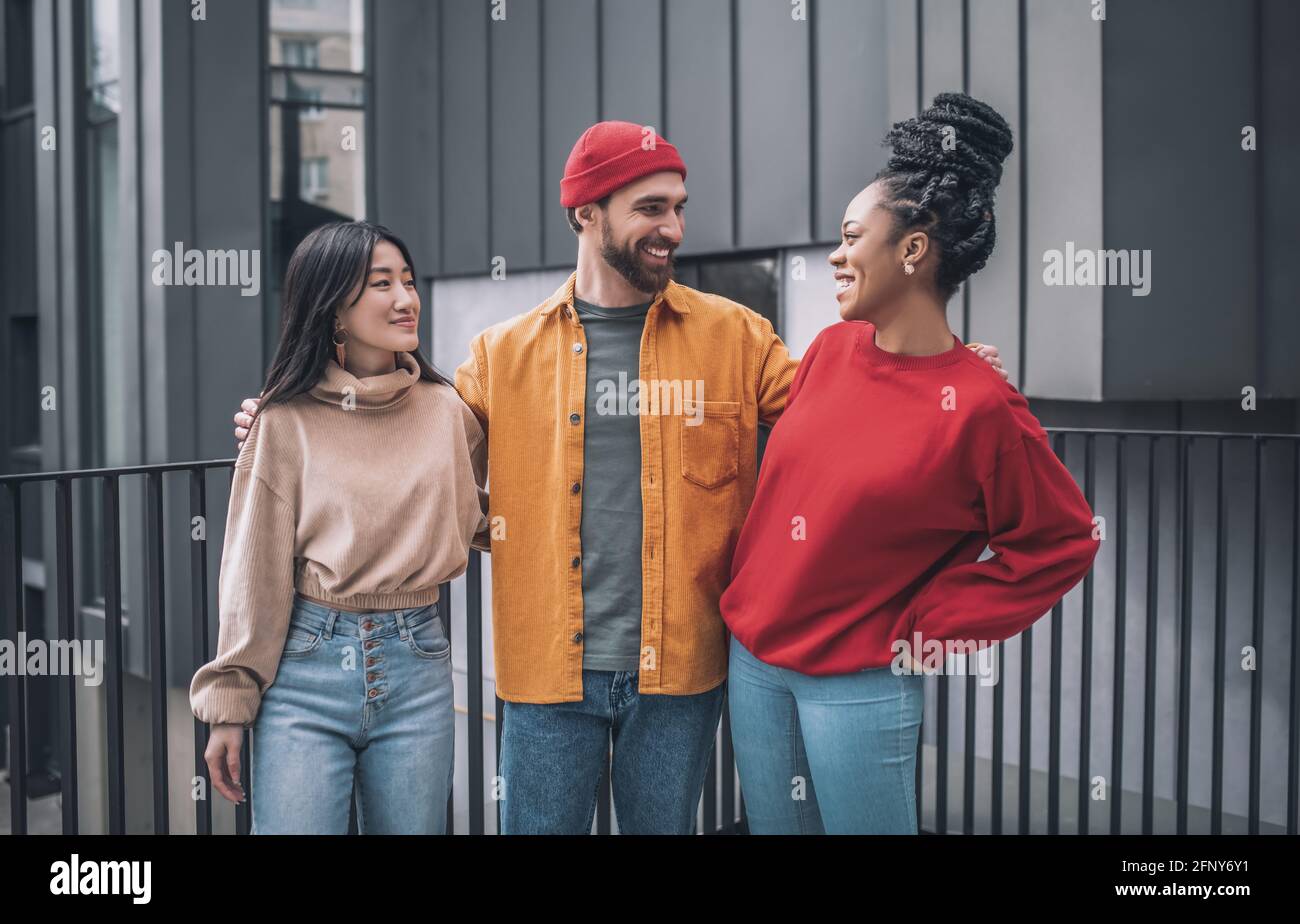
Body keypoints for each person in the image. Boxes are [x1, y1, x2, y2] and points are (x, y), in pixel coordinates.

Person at [233, 121, 1007, 834]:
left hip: (680, 675)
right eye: (649, 207)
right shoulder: (501, 356)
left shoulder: (736, 336)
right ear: (586, 215)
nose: (671, 227)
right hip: (546, 680)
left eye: (678, 207)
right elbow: (408, 440)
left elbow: (840, 409)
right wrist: (298, 418)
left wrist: (944, 373)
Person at [720, 93, 1101, 834]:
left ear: (913, 250)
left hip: (856, 686)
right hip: (755, 667)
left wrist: (929, 626)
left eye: (851, 236)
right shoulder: (829, 353)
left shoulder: (986, 408)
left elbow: (1062, 540)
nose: (834, 254)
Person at [192, 221, 488, 834]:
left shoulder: (448, 412)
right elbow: (253, 570)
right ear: (332, 308)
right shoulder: (281, 421)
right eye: (382, 283)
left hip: (418, 661)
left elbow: (487, 515)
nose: (406, 298)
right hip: (305, 665)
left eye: (408, 280)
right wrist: (229, 705)